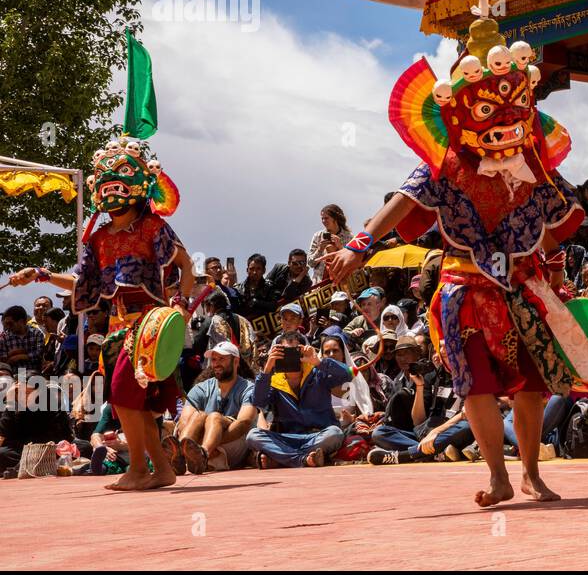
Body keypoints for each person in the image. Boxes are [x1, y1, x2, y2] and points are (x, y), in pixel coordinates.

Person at [325, 29, 584, 506]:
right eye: (489, 110)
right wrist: (357, 246)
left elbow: (552, 219)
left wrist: (555, 273)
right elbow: (402, 202)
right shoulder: (444, 162)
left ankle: (530, 473)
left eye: (514, 110)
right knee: (475, 386)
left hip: (524, 285)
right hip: (464, 289)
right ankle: (498, 476)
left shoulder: (531, 158)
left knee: (532, 385)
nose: (504, 121)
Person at [5, 135, 195, 491]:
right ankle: (162, 469)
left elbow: (187, 269)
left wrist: (181, 307)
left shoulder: (154, 227)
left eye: (120, 179)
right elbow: (81, 281)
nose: (112, 191)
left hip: (150, 323)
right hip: (117, 325)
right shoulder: (99, 238)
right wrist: (41, 274)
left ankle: (139, 468)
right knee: (131, 401)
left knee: (124, 393)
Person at [247, 331, 349, 468]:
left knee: (335, 433)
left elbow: (347, 375)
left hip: (319, 435)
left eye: (294, 352)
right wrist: (267, 369)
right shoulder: (273, 380)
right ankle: (302, 459)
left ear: (302, 351)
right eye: (284, 352)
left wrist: (318, 362)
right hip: (288, 438)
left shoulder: (317, 372)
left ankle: (283, 457)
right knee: (253, 435)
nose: (289, 356)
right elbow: (258, 402)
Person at [167, 341, 257, 474]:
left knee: (214, 417)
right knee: (199, 415)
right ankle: (180, 456)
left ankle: (202, 454)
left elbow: (243, 423)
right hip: (197, 444)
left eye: (222, 359)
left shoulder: (248, 388)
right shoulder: (201, 388)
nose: (216, 363)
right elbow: (184, 421)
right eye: (214, 359)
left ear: (236, 361)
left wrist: (213, 441)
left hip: (233, 443)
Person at [308, 205, 351, 283]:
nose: (324, 221)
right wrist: (320, 249)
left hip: (341, 281)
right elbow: (310, 263)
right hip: (320, 283)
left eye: (326, 218)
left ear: (335, 218)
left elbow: (351, 262)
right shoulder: (318, 236)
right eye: (322, 218)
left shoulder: (349, 237)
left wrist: (340, 247)